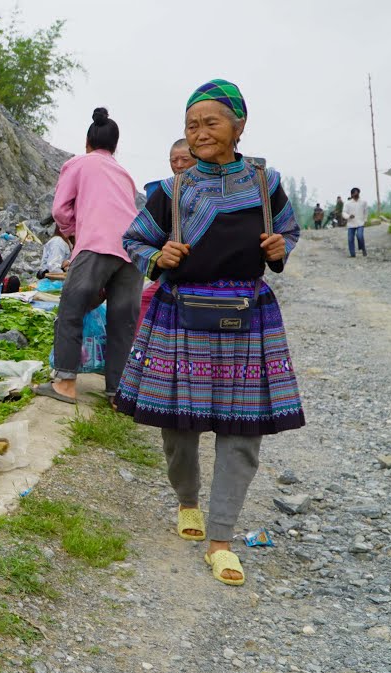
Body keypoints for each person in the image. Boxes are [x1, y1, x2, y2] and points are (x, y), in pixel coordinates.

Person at [115, 79, 305, 587]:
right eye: (191, 124)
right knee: (178, 429)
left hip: (247, 314)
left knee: (241, 434)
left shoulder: (266, 183)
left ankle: (221, 539)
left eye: (211, 122)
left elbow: (288, 230)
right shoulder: (173, 191)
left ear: (239, 127)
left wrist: (278, 249)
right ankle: (187, 502)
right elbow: (134, 238)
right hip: (182, 314)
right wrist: (158, 257)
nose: (199, 132)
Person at [34, 107, 141, 405]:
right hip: (132, 251)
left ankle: (66, 383)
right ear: (115, 145)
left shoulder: (79, 164)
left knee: (72, 309)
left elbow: (59, 210)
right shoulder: (125, 174)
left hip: (97, 244)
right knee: (122, 321)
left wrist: (73, 233)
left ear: (87, 141)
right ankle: (118, 393)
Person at [139, 139, 199, 327]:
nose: (179, 165)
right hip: (170, 262)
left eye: (184, 159)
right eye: (174, 160)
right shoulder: (164, 191)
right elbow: (139, 237)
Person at [344, 187, 369, 257]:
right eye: (354, 194)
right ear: (351, 195)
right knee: (350, 239)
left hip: (360, 223)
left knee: (360, 236)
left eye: (357, 194)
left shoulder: (363, 202)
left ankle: (363, 249)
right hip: (351, 224)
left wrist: (365, 220)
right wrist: (348, 216)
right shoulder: (347, 203)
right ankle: (352, 254)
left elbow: (366, 212)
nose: (356, 196)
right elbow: (344, 212)